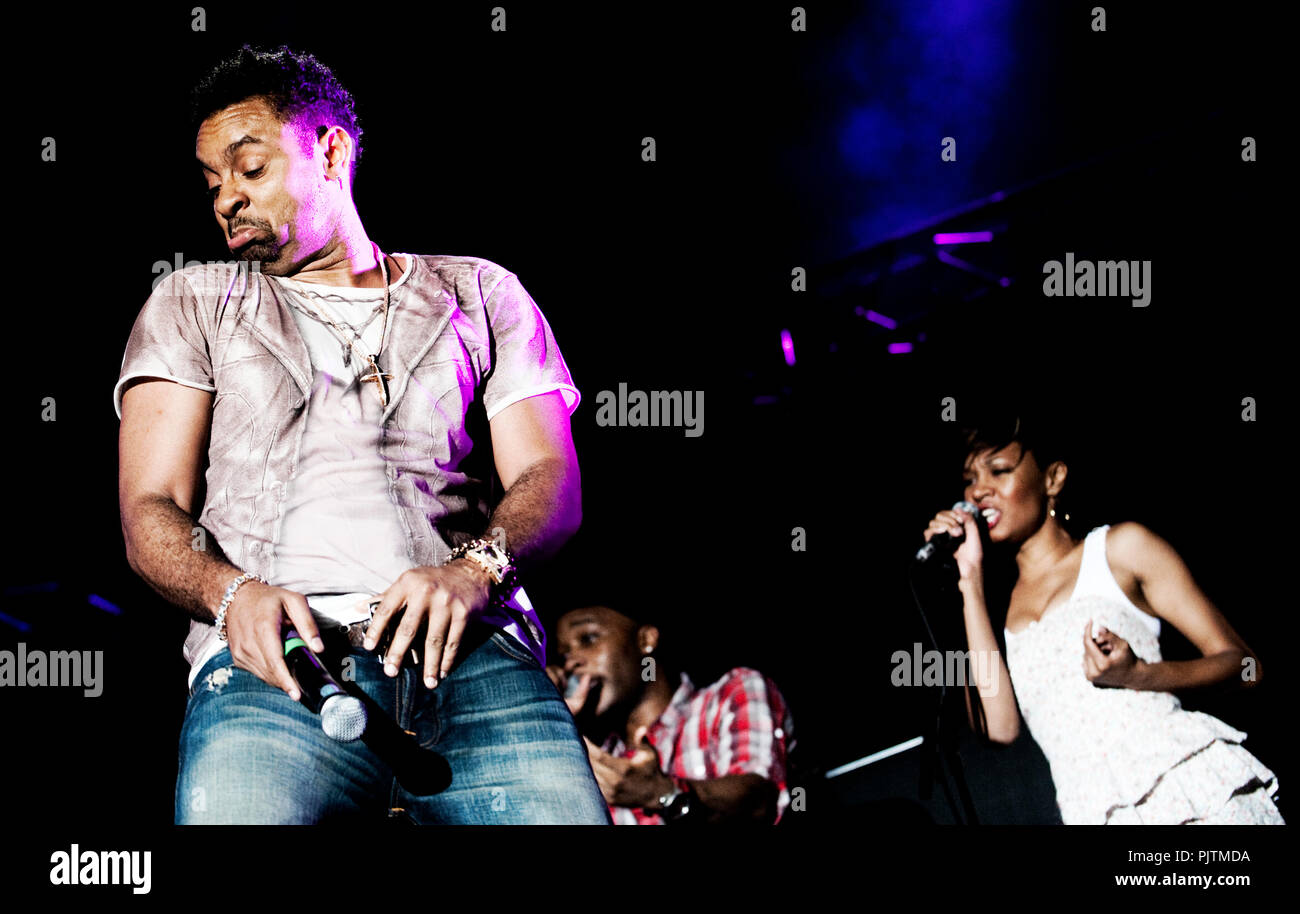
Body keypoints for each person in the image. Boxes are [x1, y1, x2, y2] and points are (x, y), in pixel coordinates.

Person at [115, 45, 609, 824]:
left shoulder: (478, 289)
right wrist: (229, 593)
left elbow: (551, 477)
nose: (227, 199)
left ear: (331, 151)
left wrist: (475, 570)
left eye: (250, 169)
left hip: (476, 654)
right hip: (276, 673)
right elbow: (148, 510)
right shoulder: (192, 301)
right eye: (212, 183)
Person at [920, 413, 1283, 824]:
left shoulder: (1119, 549)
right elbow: (999, 727)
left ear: (1053, 478)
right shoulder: (995, 611)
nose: (978, 490)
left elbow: (1246, 665)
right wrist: (969, 580)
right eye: (970, 479)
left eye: (999, 471)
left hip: (1186, 792)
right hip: (1098, 812)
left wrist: (1141, 675)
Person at [547, 605, 794, 824]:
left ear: (646, 640)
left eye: (588, 639)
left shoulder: (731, 694)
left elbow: (759, 801)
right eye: (564, 653)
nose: (571, 662)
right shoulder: (599, 755)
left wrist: (660, 793)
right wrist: (550, 717)